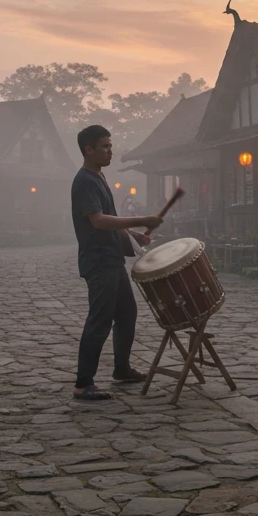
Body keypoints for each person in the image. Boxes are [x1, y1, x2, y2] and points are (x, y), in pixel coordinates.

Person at [70, 125, 163, 401]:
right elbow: (98, 221)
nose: (111, 151)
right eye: (105, 146)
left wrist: (132, 235)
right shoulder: (85, 180)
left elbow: (109, 218)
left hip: (112, 258)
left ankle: (121, 369)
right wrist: (142, 219)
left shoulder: (99, 177)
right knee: (99, 319)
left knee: (126, 314)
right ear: (89, 149)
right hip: (99, 261)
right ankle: (83, 383)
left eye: (110, 146)